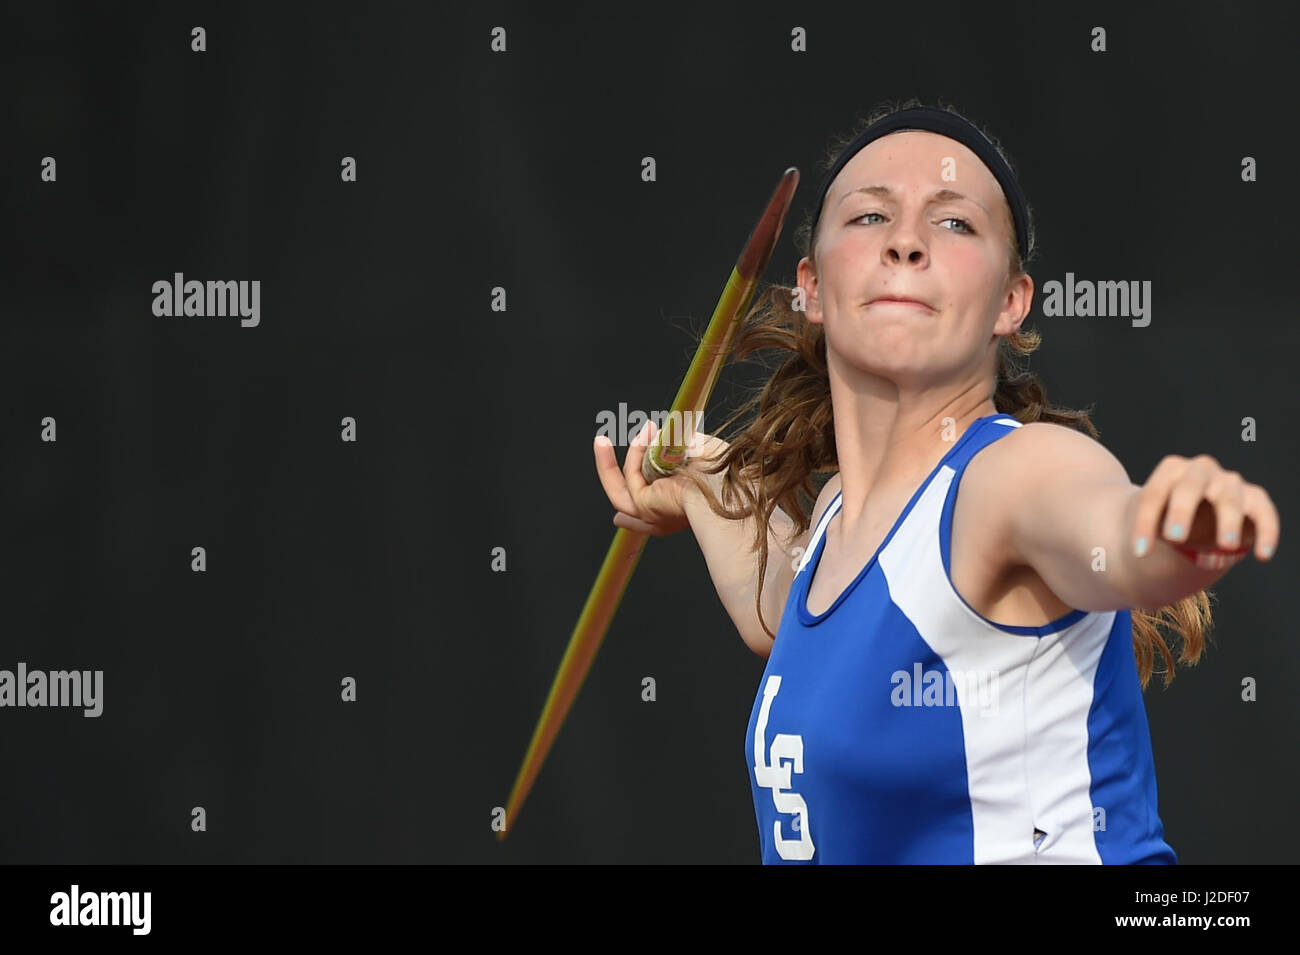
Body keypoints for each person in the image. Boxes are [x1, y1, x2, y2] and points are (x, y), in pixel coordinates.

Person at [592, 98, 1280, 864]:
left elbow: (1107, 534)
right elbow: (788, 608)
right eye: (869, 216)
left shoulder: (1012, 476)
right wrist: (699, 477)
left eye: (954, 222)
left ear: (1011, 303)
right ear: (811, 288)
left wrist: (1164, 532)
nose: (907, 241)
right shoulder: (835, 523)